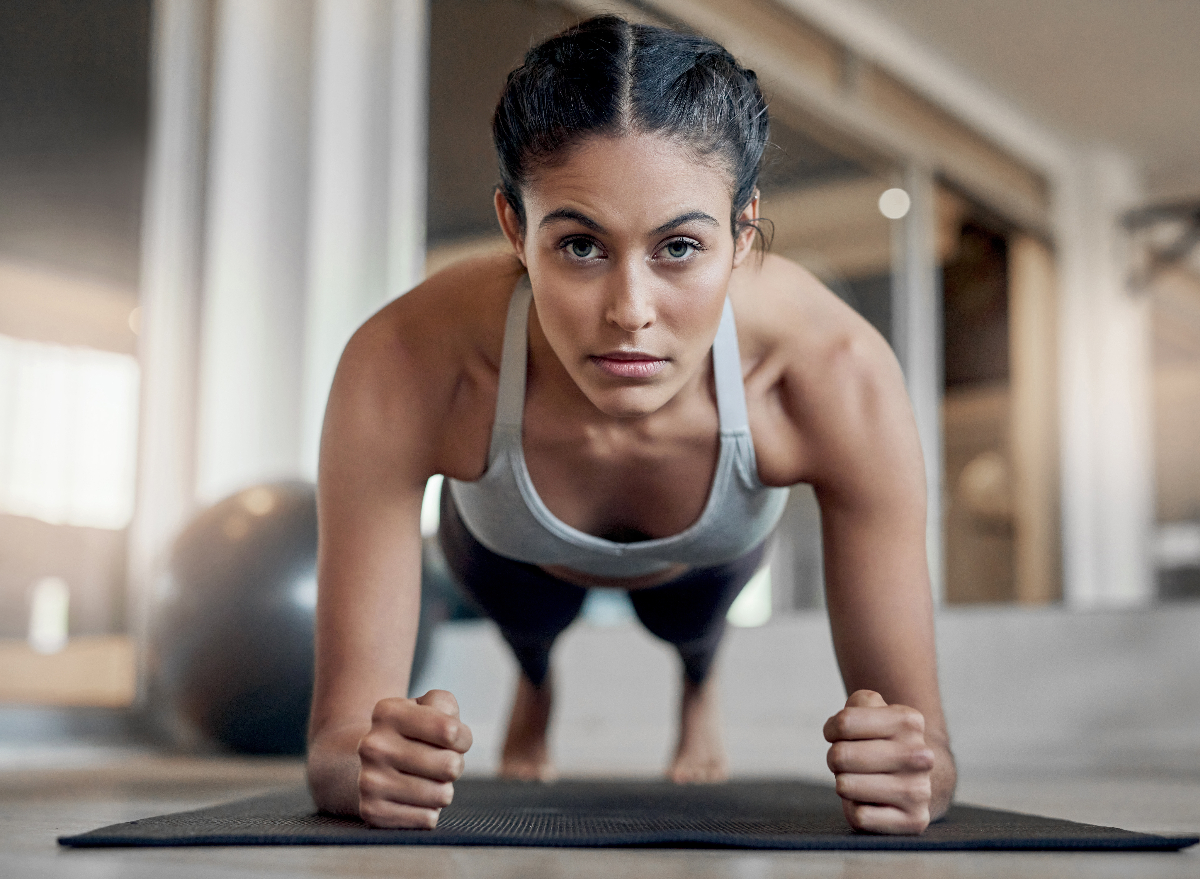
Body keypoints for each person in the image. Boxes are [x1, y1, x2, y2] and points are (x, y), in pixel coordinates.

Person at [306, 14, 956, 836]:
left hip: (703, 563)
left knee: (690, 622)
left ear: (742, 231)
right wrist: (363, 762)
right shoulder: (403, 362)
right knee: (527, 619)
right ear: (515, 229)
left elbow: (929, 747)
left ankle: (698, 686)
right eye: (580, 245)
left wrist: (912, 769)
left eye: (680, 246)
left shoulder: (835, 373)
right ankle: (535, 681)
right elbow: (335, 743)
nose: (630, 313)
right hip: (510, 552)